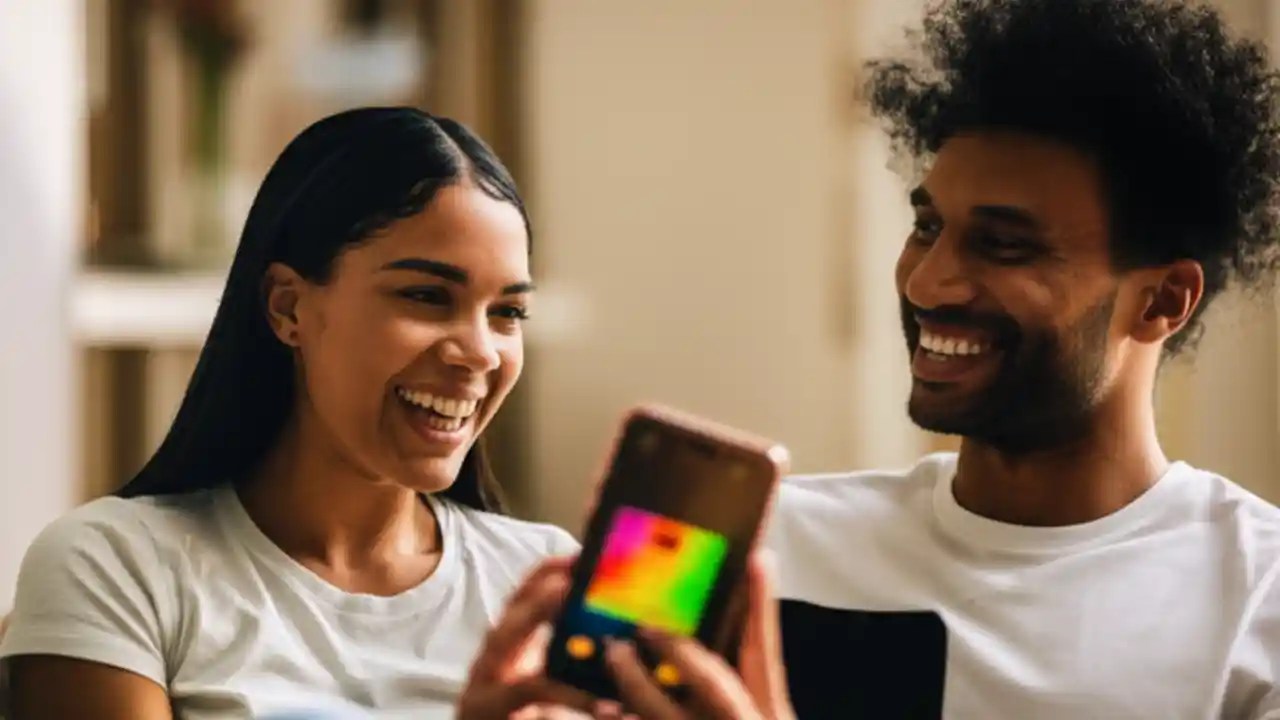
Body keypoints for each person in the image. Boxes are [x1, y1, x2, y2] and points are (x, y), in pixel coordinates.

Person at [476, 0, 1280, 717]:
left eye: (1004, 245)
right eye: (927, 227)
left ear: (1163, 299)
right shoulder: (757, 550)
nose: (928, 282)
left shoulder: (1258, 596)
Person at [0, 107, 590, 719]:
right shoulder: (117, 567)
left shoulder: (545, 585)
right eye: (426, 296)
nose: (480, 353)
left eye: (507, 313)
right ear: (288, 307)